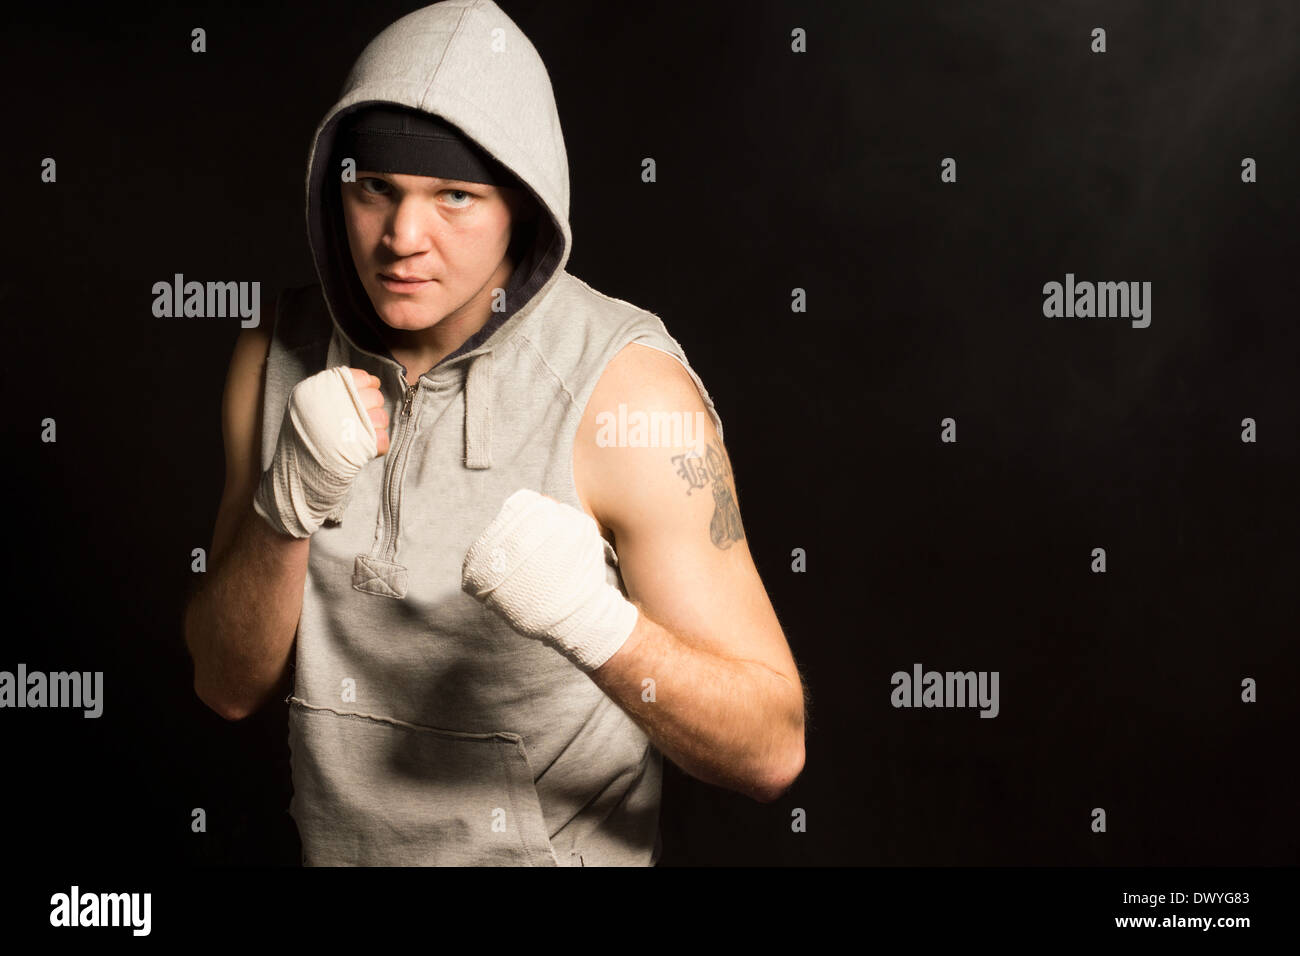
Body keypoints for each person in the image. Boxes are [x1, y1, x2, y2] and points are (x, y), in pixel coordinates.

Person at [183, 0, 806, 866]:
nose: (404, 238)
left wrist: (597, 623)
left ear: (522, 207)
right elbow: (225, 685)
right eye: (376, 190)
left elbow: (771, 748)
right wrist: (283, 509)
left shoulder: (626, 393)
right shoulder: (274, 354)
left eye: (455, 198)